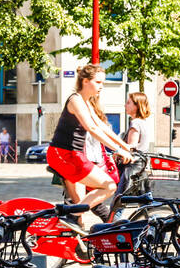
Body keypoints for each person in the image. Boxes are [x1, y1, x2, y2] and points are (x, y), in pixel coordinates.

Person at [46, 64, 133, 222]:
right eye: (98, 82)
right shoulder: (75, 100)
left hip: (73, 156)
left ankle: (74, 230)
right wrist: (119, 149)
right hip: (65, 155)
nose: (102, 86)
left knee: (83, 201)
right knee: (109, 186)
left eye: (103, 83)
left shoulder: (85, 101)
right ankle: (71, 217)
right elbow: (92, 128)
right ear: (85, 81)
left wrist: (126, 146)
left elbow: (100, 125)